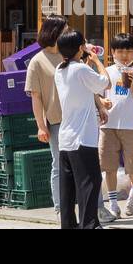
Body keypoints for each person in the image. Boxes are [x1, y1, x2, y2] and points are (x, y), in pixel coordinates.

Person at [52, 28, 110, 229]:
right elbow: (105, 82)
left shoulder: (60, 69)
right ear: (79, 48)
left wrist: (99, 106)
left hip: (66, 138)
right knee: (90, 183)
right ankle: (89, 225)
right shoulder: (81, 69)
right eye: (83, 44)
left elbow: (85, 87)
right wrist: (96, 61)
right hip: (82, 138)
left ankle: (68, 225)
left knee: (67, 187)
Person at [99, 31, 133, 221]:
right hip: (108, 126)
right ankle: (112, 204)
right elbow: (99, 95)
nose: (124, 55)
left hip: (130, 127)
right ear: (112, 52)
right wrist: (103, 104)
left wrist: (132, 85)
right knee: (109, 167)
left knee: (132, 166)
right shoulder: (106, 73)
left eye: (129, 51)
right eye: (120, 51)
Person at [25, 14, 67, 213]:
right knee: (58, 165)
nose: (67, 35)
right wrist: (41, 126)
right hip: (56, 120)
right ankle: (60, 208)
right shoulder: (37, 62)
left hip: (76, 118)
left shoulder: (68, 54)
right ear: (54, 33)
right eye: (65, 31)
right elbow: (36, 97)